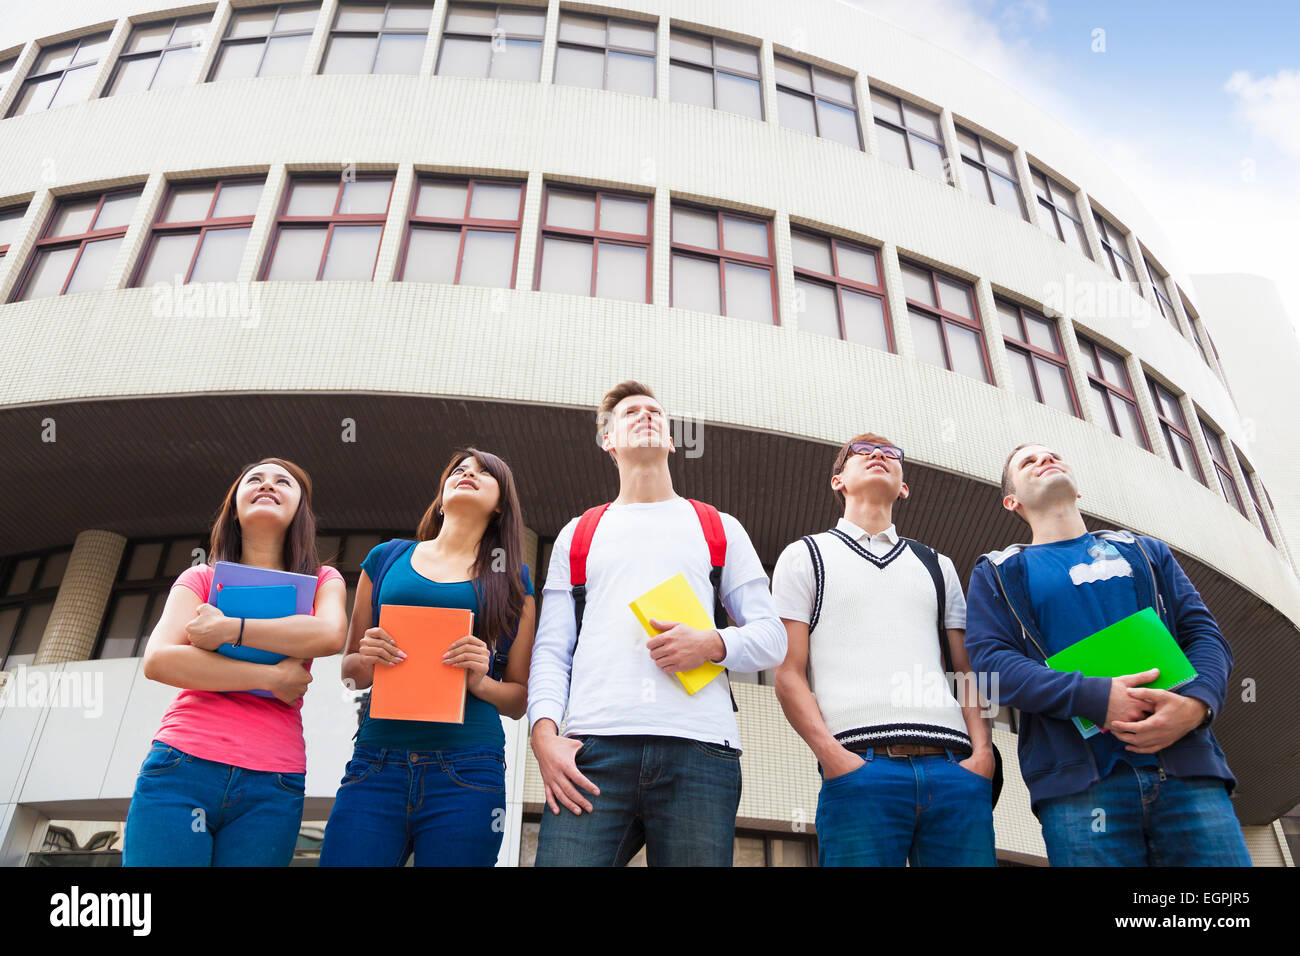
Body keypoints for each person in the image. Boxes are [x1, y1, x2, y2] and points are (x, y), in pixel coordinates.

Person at [527, 381, 785, 866]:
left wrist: (712, 643)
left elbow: (772, 638)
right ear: (608, 440)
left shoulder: (718, 526)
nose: (646, 416)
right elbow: (551, 650)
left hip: (701, 753)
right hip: (591, 751)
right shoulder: (577, 534)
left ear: (670, 440)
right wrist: (543, 736)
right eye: (630, 412)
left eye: (655, 412)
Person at [964, 442, 1251, 866]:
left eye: (1054, 455)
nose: (1046, 460)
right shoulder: (998, 571)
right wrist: (1096, 697)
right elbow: (993, 664)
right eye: (1029, 462)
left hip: (1186, 768)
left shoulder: (1147, 552)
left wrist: (1197, 704)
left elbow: (1205, 635)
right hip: (1079, 787)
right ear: (1013, 501)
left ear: (1077, 490)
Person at [772, 434, 996, 866]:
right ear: (838, 480)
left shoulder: (937, 564)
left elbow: (968, 671)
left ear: (904, 486)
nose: (878, 455)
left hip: (954, 768)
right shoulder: (806, 555)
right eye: (862, 451)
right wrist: (833, 758)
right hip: (859, 767)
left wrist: (982, 754)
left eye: (891, 454)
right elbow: (788, 673)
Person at [124, 457, 347, 866]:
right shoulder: (201, 579)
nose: (268, 485)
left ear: (300, 510)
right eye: (255, 480)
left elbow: (330, 635)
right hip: (181, 765)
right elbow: (159, 661)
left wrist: (230, 629)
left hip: (272, 780)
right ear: (234, 505)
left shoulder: (324, 580)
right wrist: (270, 676)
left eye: (283, 482)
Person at [318, 448, 534, 867]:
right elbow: (349, 675)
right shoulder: (385, 559)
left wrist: (481, 680)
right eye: (458, 469)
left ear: (501, 504)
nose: (467, 474)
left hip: (468, 768)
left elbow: (519, 699)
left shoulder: (513, 580)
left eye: (482, 473)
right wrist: (367, 656)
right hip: (376, 762)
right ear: (440, 496)